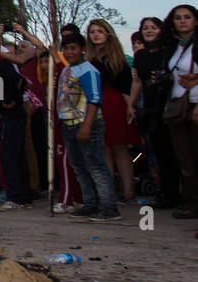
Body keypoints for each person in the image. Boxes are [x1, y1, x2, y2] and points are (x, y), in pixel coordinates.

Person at [56, 33, 119, 221]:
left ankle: (109, 207)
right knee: (79, 166)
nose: (69, 52)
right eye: (66, 49)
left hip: (86, 124)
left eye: (73, 48)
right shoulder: (68, 69)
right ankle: (90, 203)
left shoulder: (88, 70)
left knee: (95, 165)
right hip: (69, 124)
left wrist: (86, 126)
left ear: (83, 49)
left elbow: (94, 99)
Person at [85, 19, 141, 203]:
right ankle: (107, 193)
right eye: (92, 31)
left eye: (100, 31)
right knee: (103, 150)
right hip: (95, 104)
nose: (96, 34)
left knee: (120, 149)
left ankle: (128, 192)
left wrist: (130, 106)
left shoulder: (118, 59)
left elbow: (126, 86)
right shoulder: (88, 60)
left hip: (115, 103)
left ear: (108, 33)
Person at [128, 16, 181, 209]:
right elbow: (137, 81)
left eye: (153, 27)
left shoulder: (171, 51)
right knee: (159, 153)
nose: (149, 31)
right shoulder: (140, 55)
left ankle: (182, 193)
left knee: (176, 151)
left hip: (170, 104)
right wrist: (131, 104)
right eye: (145, 28)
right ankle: (167, 193)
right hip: (150, 107)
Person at [0, 36, 32, 209]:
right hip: (5, 114)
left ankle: (16, 197)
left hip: (12, 115)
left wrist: (12, 101)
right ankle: (23, 195)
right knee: (14, 155)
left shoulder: (3, 64)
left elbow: (20, 82)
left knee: (9, 156)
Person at [159, 4, 198, 219]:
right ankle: (192, 203)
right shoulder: (174, 46)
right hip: (177, 105)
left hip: (195, 104)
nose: (182, 21)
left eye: (187, 17)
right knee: (185, 159)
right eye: (178, 17)